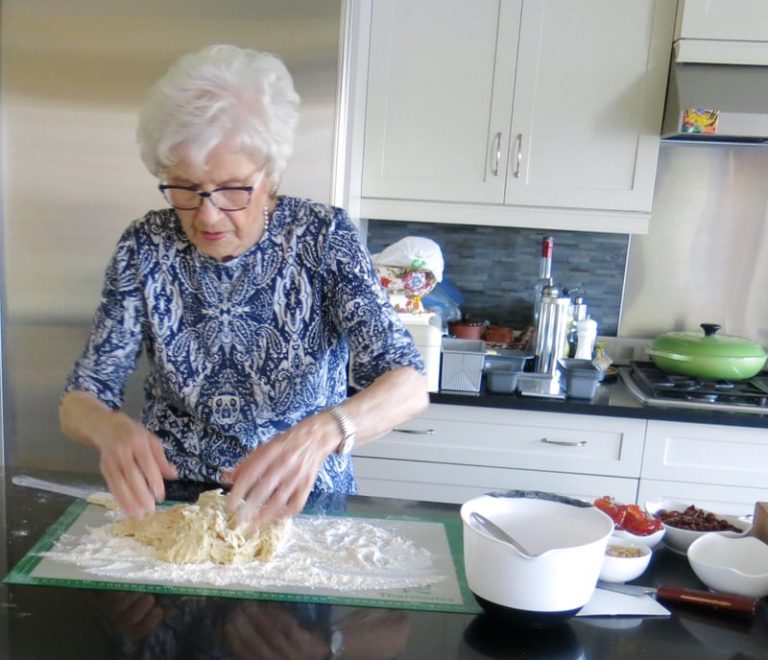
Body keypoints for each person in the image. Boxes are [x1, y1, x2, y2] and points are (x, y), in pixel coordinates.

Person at [59, 44, 428, 528]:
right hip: (175, 510)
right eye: (186, 188)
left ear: (271, 175)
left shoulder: (324, 239)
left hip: (301, 507)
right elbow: (80, 398)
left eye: (233, 189)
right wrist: (109, 431)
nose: (208, 215)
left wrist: (323, 433)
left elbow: (409, 384)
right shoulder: (144, 245)